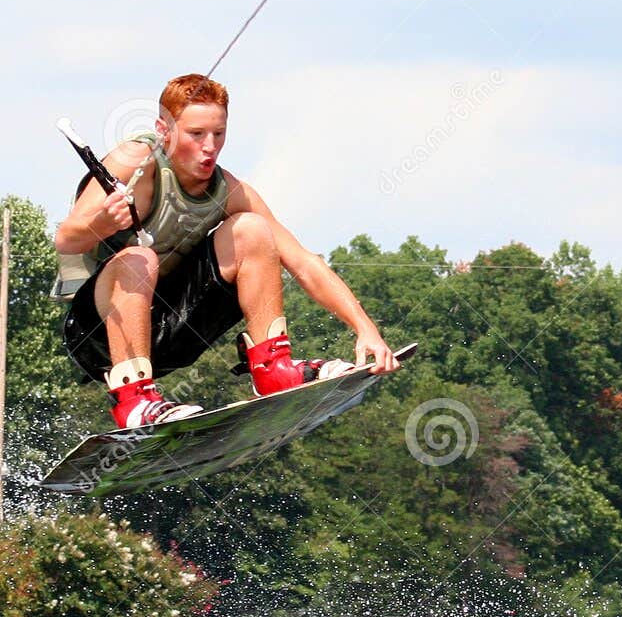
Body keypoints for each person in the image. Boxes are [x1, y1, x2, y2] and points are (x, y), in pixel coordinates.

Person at [54, 73, 399, 428]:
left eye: (218, 134)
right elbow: (66, 239)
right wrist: (105, 223)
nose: (209, 146)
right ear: (164, 130)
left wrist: (365, 328)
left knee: (253, 229)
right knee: (139, 258)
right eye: (196, 134)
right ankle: (135, 401)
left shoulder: (229, 190)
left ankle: (273, 369)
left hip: (172, 336)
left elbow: (303, 263)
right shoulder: (135, 162)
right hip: (97, 335)